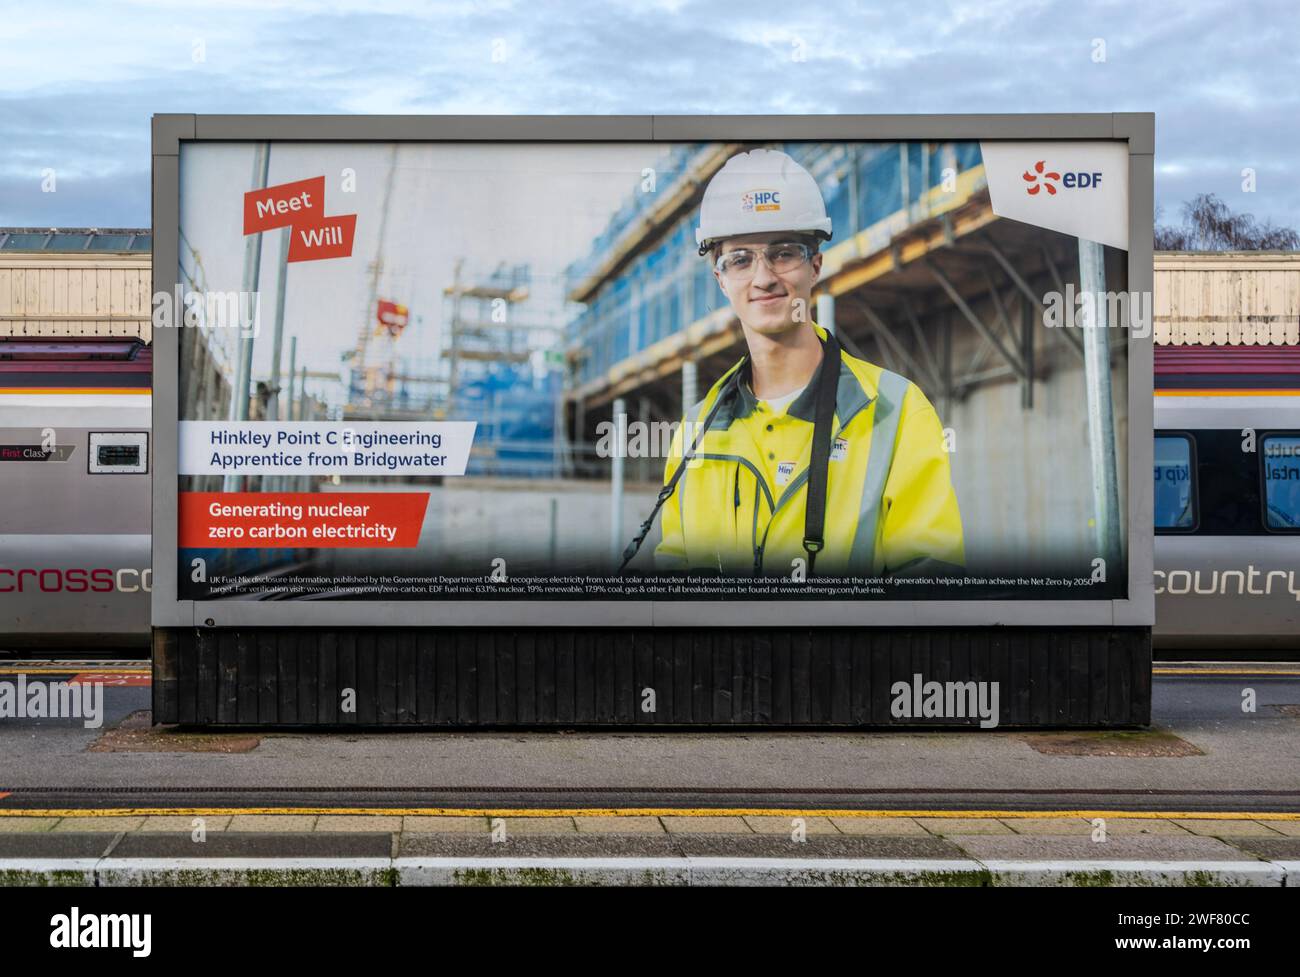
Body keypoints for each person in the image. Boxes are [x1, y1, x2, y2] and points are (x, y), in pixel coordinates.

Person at [644, 148, 964, 578]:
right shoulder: (695, 434)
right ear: (721, 280)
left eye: (783, 253)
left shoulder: (897, 413)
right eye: (740, 259)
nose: (763, 278)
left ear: (815, 265)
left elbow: (931, 590)